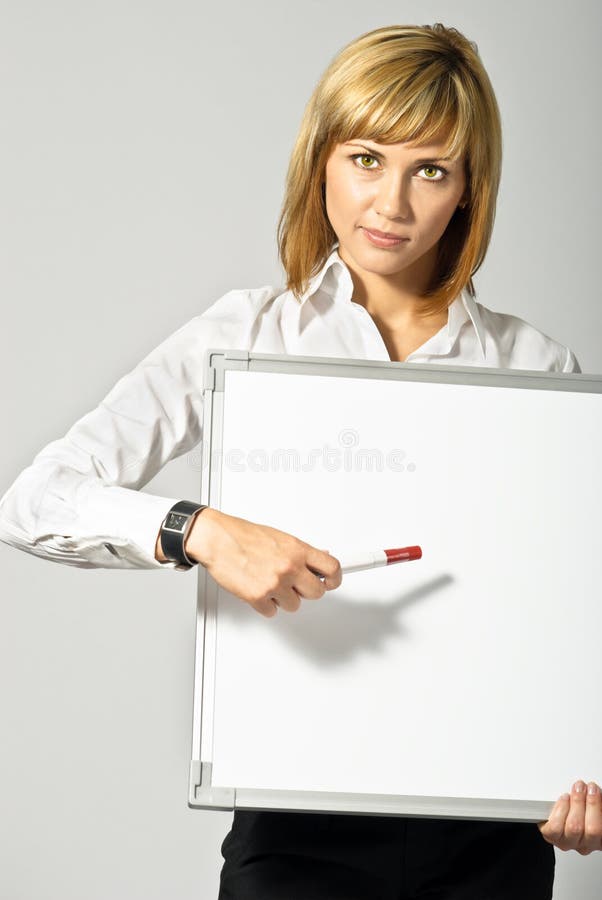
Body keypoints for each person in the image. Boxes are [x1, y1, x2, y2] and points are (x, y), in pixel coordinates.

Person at [0, 21, 600, 900]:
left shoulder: (538, 371)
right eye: (366, 157)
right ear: (320, 159)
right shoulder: (243, 337)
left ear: (469, 190)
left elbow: (578, 600)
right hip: (294, 833)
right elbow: (33, 500)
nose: (390, 204)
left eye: (430, 169)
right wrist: (197, 529)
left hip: (492, 836)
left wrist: (588, 767)